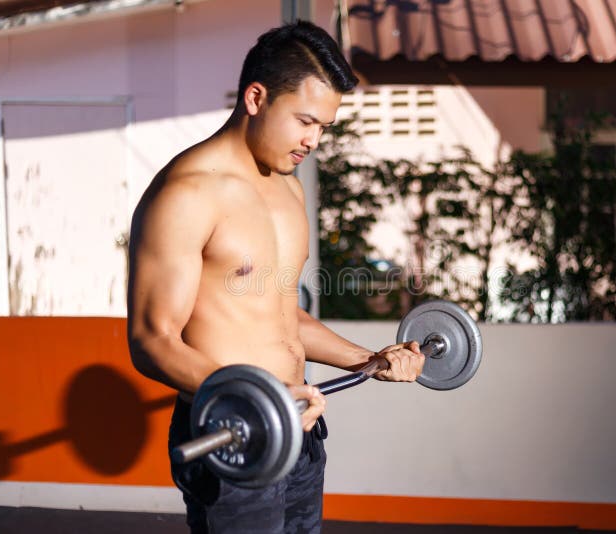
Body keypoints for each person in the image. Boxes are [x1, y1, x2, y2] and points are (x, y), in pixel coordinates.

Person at [126, 20, 424, 534]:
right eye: (305, 121)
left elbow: (282, 315)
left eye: (324, 128)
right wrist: (262, 396)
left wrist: (370, 360)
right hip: (234, 430)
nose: (314, 140)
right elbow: (151, 341)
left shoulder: (287, 190)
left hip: (299, 429)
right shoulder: (186, 194)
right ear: (256, 97)